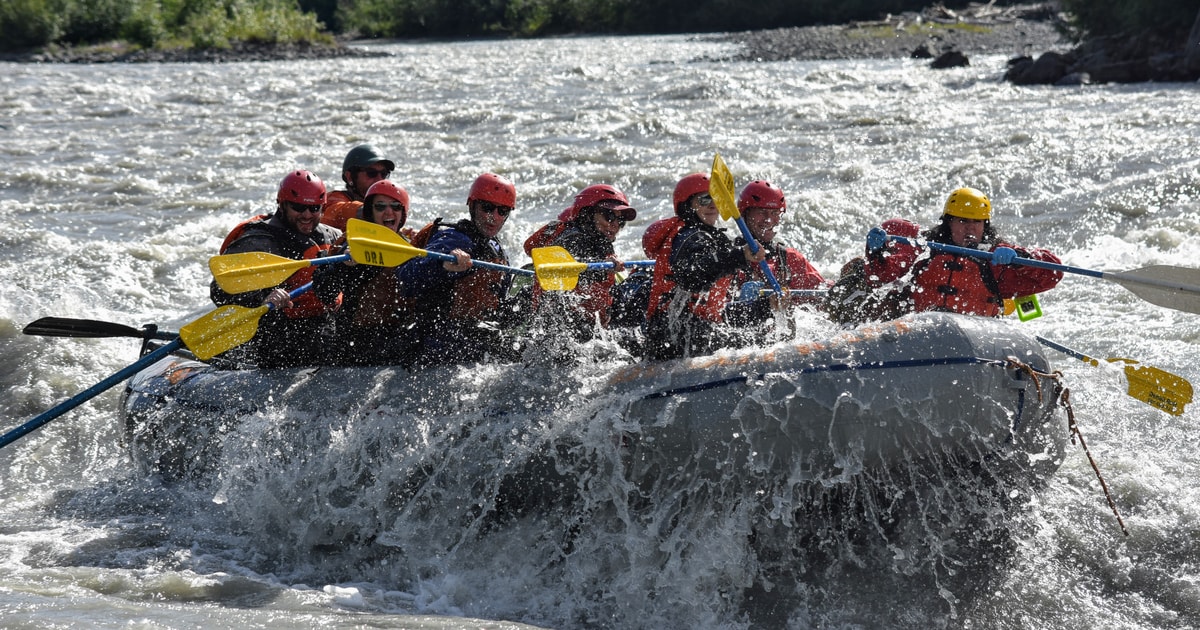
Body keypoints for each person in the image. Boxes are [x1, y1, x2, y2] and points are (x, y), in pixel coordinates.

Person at [825, 187, 1063, 325]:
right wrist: (876, 253)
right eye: (962, 221)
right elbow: (882, 275)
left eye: (977, 222)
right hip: (919, 331)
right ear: (948, 222)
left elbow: (1053, 273)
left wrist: (1022, 257)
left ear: (985, 225)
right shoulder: (924, 249)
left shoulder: (997, 259)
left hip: (977, 339)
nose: (970, 228)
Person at [210, 170, 342, 368]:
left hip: (321, 328)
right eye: (298, 208)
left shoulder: (333, 237)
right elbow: (219, 291)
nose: (307, 215)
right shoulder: (257, 242)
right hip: (274, 337)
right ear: (282, 204)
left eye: (314, 208)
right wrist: (263, 297)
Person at [397, 172, 522, 366]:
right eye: (487, 208)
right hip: (438, 343)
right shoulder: (454, 238)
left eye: (503, 211)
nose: (494, 217)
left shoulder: (496, 248)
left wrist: (525, 301)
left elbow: (498, 309)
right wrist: (443, 266)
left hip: (476, 337)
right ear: (472, 206)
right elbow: (406, 279)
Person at [642, 172, 767, 361]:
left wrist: (765, 307)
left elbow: (717, 307)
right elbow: (692, 277)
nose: (712, 205)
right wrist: (739, 255)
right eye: (705, 199)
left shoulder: (705, 237)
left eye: (716, 199)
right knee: (757, 341)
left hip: (690, 329)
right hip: (676, 335)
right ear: (687, 205)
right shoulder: (689, 237)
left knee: (759, 327)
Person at [313, 179, 414, 365]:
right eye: (380, 207)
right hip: (356, 341)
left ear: (403, 214)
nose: (389, 212)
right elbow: (325, 293)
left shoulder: (409, 248)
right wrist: (344, 266)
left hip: (395, 336)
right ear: (370, 212)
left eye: (395, 207)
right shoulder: (352, 244)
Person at [530, 184, 635, 342]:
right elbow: (576, 272)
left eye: (621, 221)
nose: (615, 224)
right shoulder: (572, 239)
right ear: (587, 214)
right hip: (562, 328)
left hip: (589, 324)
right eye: (609, 216)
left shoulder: (601, 241)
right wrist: (603, 266)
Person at [727, 180, 830, 322]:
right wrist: (764, 306)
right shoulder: (728, 259)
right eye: (761, 212)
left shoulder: (790, 259)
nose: (769, 220)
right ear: (745, 214)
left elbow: (824, 297)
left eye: (775, 213)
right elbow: (717, 315)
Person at [321, 143, 395, 232]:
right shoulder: (334, 199)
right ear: (349, 177)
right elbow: (336, 212)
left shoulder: (387, 208)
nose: (380, 180)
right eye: (371, 173)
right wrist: (372, 210)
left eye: (384, 174)